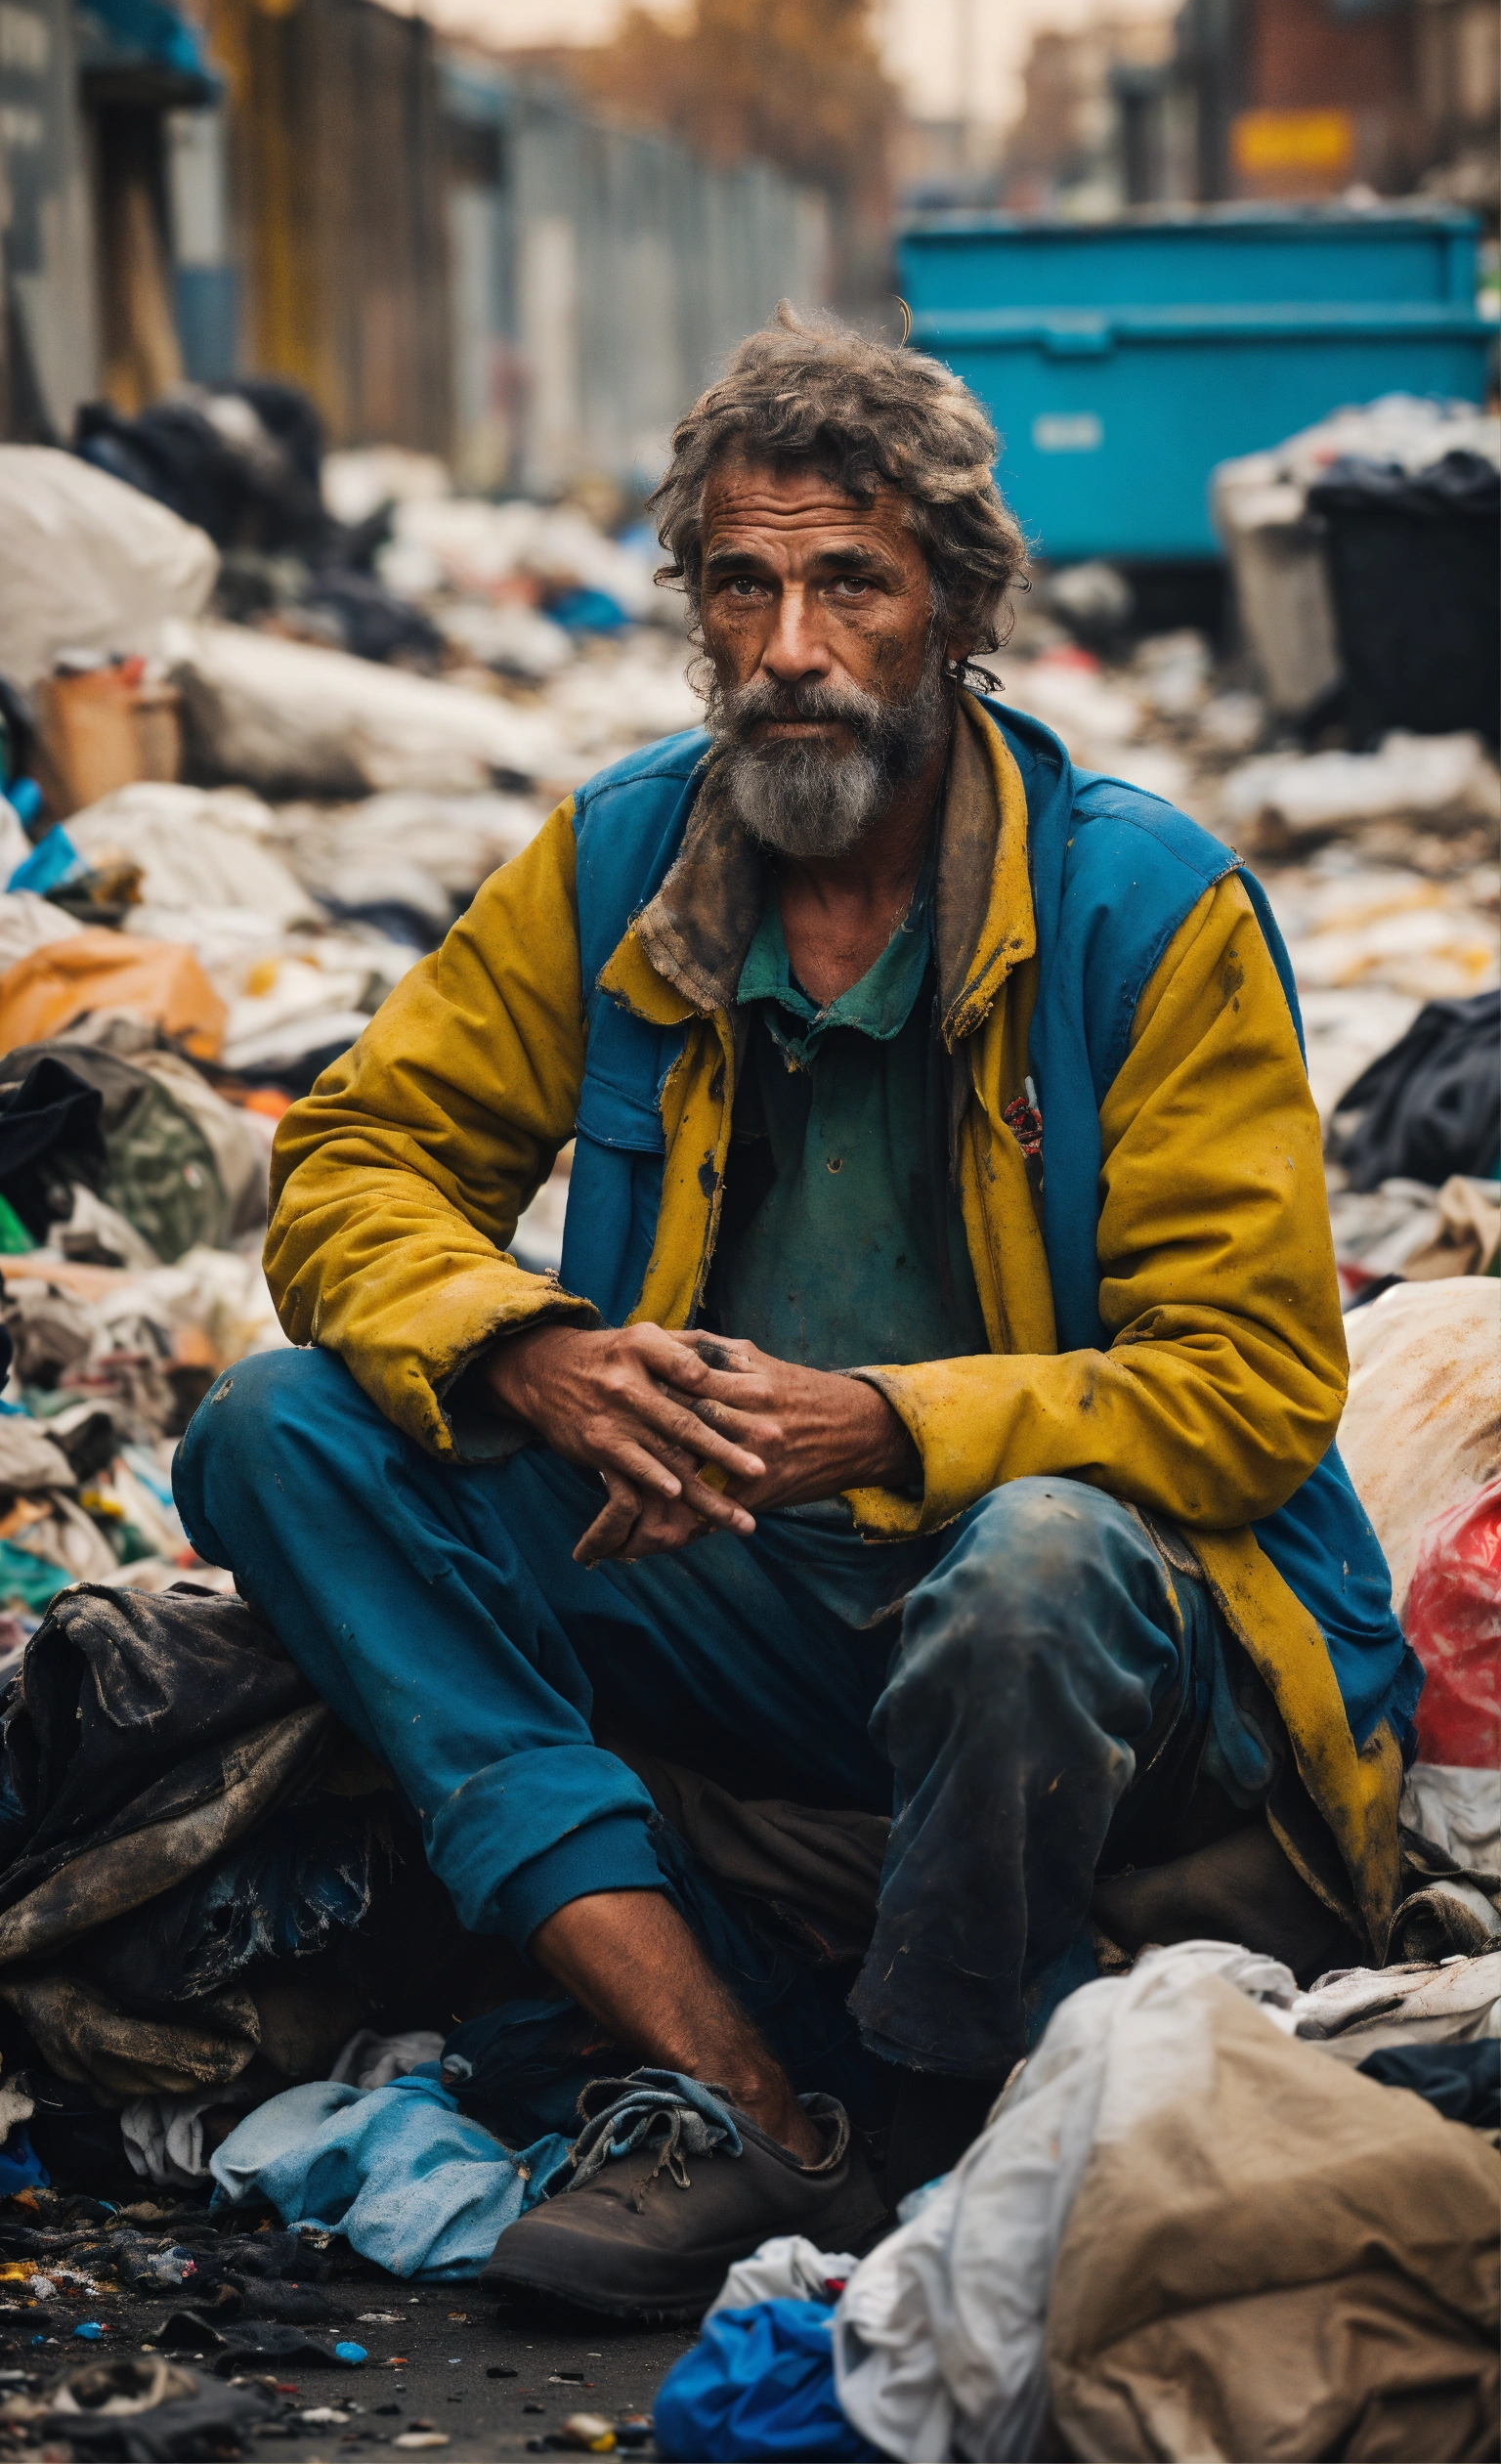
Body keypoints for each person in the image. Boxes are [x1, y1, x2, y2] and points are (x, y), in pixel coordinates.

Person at [177, 308, 1417, 2320]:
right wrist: (526, 1346)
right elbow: (352, 1163)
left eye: (853, 582)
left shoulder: (1139, 910)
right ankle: (738, 2092)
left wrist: (885, 1424)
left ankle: (939, 2132)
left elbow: (1257, 1390)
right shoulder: (620, 863)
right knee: (278, 1434)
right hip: (741, 1586)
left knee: (1029, 1569)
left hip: (1116, 1639)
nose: (792, 646)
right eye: (741, 587)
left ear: (956, 610)